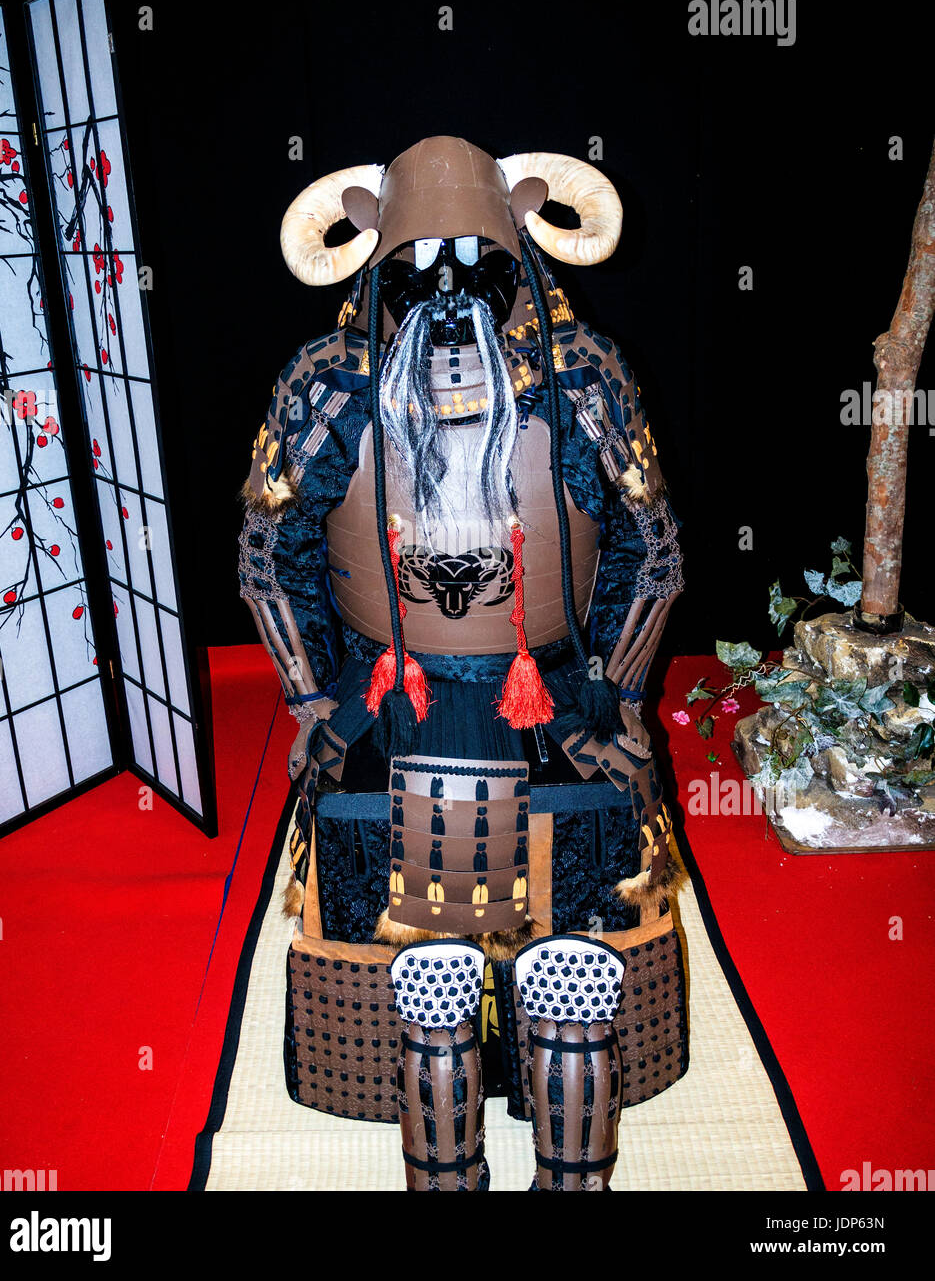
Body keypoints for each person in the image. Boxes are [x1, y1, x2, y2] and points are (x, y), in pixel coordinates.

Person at [238, 136, 686, 1191]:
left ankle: (566, 1123)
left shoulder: (584, 374)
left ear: (521, 268)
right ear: (377, 273)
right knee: (390, 929)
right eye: (415, 272)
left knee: (582, 943)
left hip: (556, 695)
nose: (446, 302)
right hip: (385, 699)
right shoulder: (326, 382)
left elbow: (649, 546)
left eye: (475, 270)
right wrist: (314, 698)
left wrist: (613, 695)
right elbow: (269, 549)